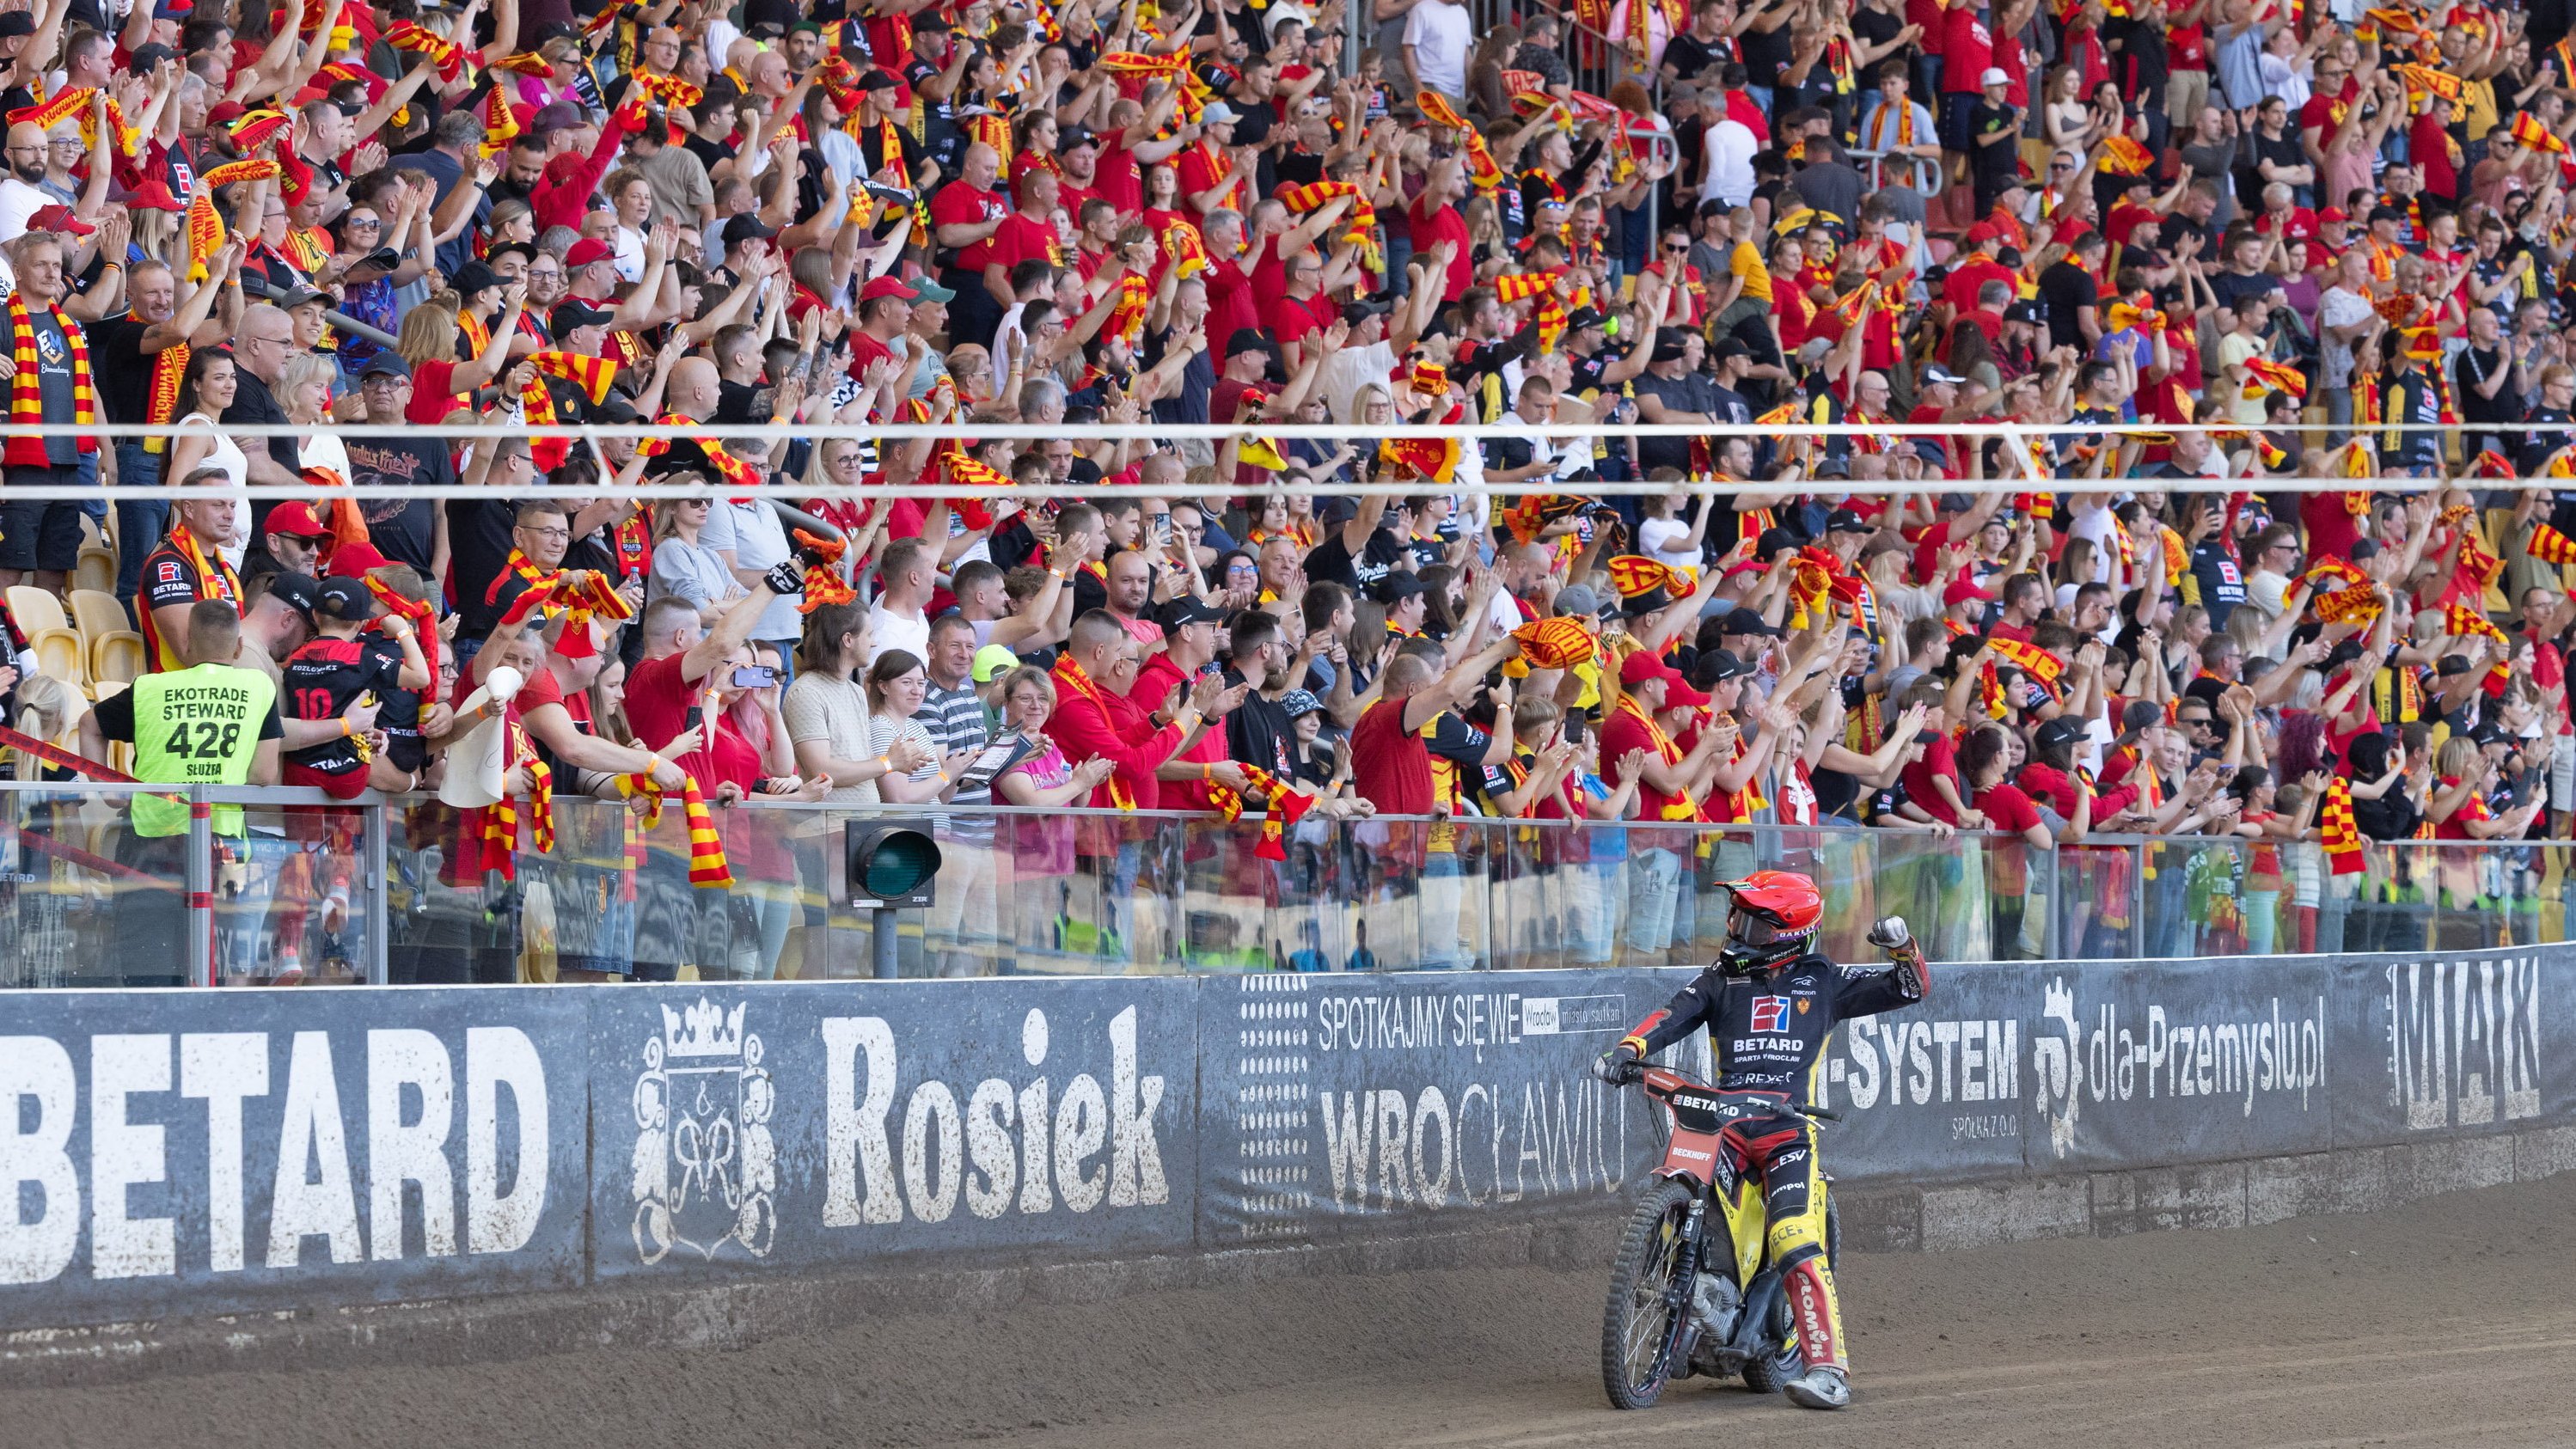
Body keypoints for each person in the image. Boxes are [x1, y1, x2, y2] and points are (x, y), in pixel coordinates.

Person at [1593, 872, 1930, 1412]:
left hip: (1787, 1131)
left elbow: (1909, 988)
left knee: (1794, 1233)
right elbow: (1673, 1015)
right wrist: (1630, 1049)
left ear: (1786, 934)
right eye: (1735, 916)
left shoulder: (1823, 979)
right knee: (1684, 1178)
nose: (1734, 929)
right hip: (1725, 1123)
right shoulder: (1720, 977)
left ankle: (1828, 1371)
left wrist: (1901, 948)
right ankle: (1692, 1315)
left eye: (1749, 921)